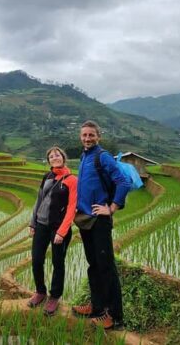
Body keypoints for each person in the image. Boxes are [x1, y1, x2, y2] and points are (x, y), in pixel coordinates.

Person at [72, 120, 131, 329]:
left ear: (98, 136)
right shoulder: (84, 156)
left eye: (91, 135)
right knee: (94, 265)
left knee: (106, 267)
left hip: (99, 220)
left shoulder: (102, 156)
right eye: (84, 135)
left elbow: (124, 182)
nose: (87, 138)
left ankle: (114, 317)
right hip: (86, 220)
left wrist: (112, 207)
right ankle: (96, 307)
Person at [27, 146, 78, 316]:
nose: (54, 157)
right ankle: (40, 291)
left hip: (59, 228)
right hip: (41, 225)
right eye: (51, 156)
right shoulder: (47, 176)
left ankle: (54, 296)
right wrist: (32, 223)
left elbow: (72, 207)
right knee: (37, 260)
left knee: (58, 262)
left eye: (57, 155)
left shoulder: (71, 180)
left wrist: (62, 231)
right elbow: (39, 200)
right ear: (48, 160)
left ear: (63, 158)